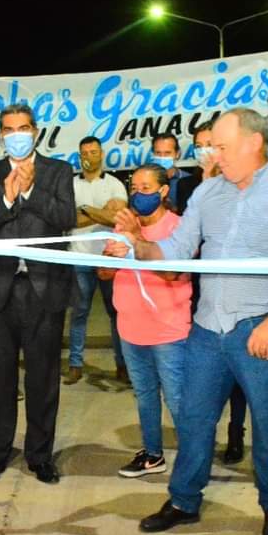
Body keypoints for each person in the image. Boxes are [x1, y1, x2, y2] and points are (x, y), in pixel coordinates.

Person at [109, 108, 268, 535]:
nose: (214, 156)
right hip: (207, 329)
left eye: (222, 147)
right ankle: (183, 500)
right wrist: (138, 245)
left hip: (260, 329)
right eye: (211, 147)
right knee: (194, 419)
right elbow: (176, 250)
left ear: (254, 142)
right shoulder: (208, 194)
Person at [0, 103, 76, 485]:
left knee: (43, 378)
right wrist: (6, 199)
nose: (17, 135)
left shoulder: (58, 171)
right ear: (0, 135)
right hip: (0, 289)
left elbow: (66, 218)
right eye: (9, 129)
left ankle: (40, 455)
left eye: (24, 128)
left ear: (36, 131)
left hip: (45, 290)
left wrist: (30, 190)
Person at [96, 165, 190, 478]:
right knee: (145, 395)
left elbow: (172, 273)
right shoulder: (123, 226)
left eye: (146, 188)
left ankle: (192, 459)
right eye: (134, 188)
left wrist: (135, 241)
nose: (138, 194)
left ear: (163, 191)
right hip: (130, 328)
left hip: (168, 330)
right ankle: (152, 453)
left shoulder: (179, 227)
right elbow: (103, 273)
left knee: (177, 398)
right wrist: (112, 257)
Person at [187, 122, 248, 462]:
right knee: (205, 374)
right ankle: (202, 439)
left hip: (236, 291)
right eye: (199, 145)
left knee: (238, 370)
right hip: (199, 291)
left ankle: (236, 431)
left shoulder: (239, 185)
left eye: (211, 144)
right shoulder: (186, 187)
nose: (205, 151)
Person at [66, 136, 128, 386]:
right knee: (79, 313)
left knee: (117, 314)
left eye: (93, 152)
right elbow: (69, 219)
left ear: (101, 154)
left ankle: (122, 365)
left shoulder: (114, 184)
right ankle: (75, 364)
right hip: (78, 257)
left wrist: (86, 209)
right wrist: (102, 211)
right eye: (85, 153)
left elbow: (117, 218)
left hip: (108, 259)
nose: (89, 157)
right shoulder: (70, 184)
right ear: (79, 156)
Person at [176, 120, 216, 216]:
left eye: (209, 145)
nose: (203, 150)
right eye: (198, 146)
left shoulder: (236, 182)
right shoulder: (185, 184)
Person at [150, 132, 190, 211]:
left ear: (177, 154)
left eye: (167, 153)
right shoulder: (145, 180)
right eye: (158, 153)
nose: (162, 157)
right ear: (152, 154)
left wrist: (173, 209)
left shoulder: (189, 180)